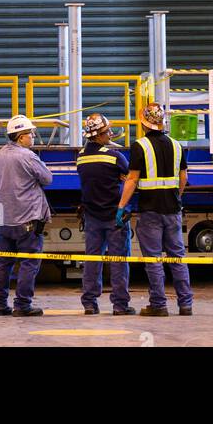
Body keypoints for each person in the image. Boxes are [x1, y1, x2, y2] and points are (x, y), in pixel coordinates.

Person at [116, 102, 193, 317]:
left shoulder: (140, 146)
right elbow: (184, 177)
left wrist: (121, 207)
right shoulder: (177, 145)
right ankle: (186, 304)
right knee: (177, 257)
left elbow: (132, 179)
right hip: (173, 210)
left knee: (153, 259)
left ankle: (159, 305)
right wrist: (176, 197)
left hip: (150, 211)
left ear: (143, 124)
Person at [0, 114, 52, 318]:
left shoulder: (0, 154)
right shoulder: (27, 156)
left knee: (3, 262)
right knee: (29, 262)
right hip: (26, 217)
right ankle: (22, 305)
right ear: (20, 136)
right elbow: (47, 178)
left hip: (4, 218)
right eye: (30, 133)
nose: (32, 137)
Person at [76, 112, 135, 316]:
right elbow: (130, 178)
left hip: (92, 216)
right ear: (99, 135)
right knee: (119, 261)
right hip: (114, 217)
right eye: (107, 131)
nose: (110, 134)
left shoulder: (81, 157)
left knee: (92, 260)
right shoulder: (114, 156)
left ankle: (89, 303)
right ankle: (120, 305)